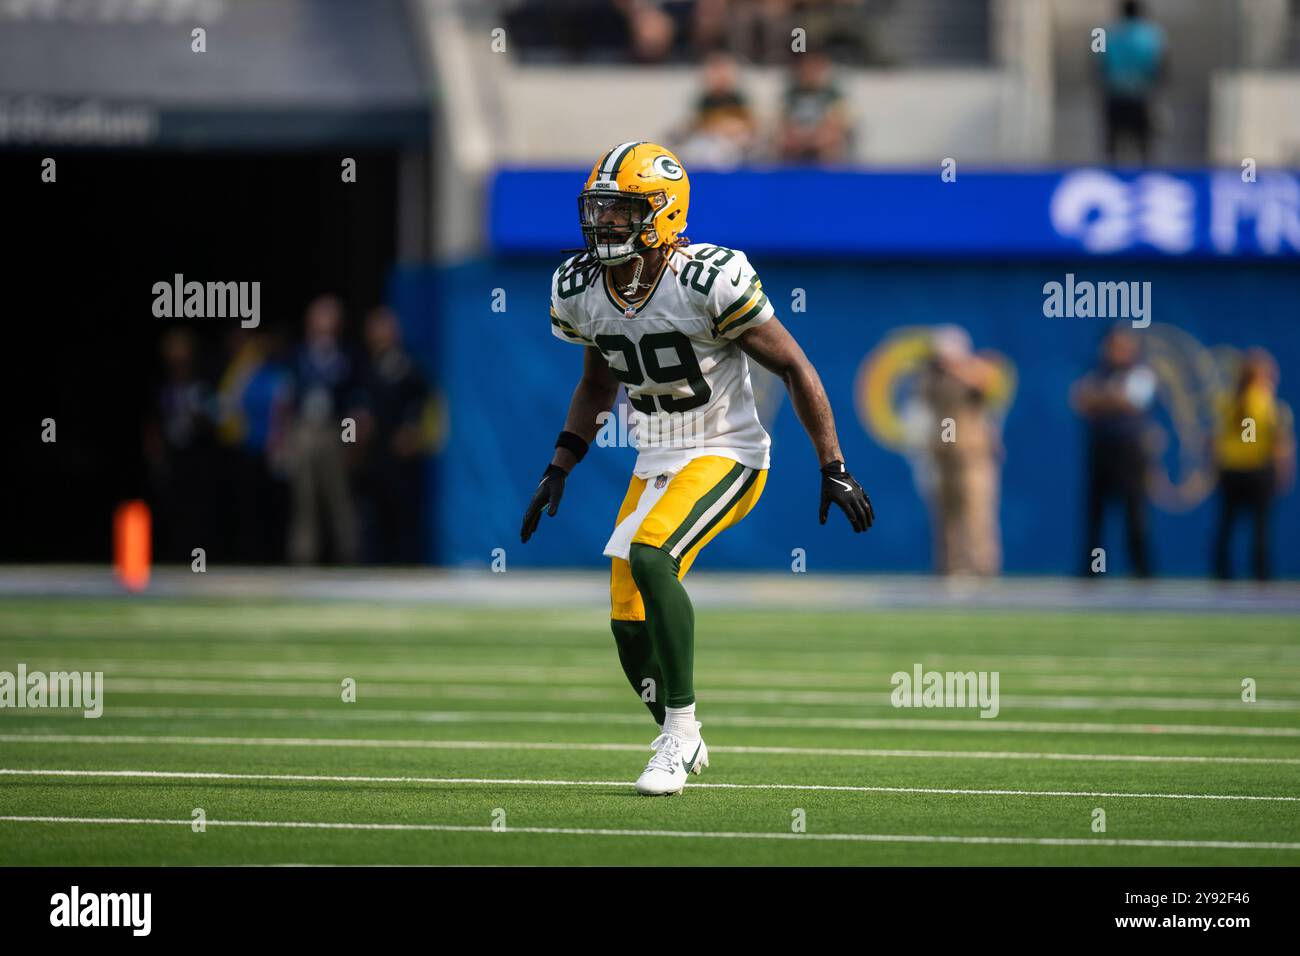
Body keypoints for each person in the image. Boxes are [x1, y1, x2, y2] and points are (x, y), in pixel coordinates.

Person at [520, 141, 875, 795]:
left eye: (623, 212)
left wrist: (835, 463)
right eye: (601, 211)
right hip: (655, 455)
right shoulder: (581, 288)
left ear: (664, 213)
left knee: (653, 556)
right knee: (627, 623)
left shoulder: (708, 278)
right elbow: (596, 385)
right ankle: (679, 732)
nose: (607, 225)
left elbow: (795, 367)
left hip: (726, 449)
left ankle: (678, 738)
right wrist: (561, 462)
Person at [918, 326, 1004, 576]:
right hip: (944, 455)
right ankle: (950, 569)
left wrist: (960, 368)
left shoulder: (974, 372)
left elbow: (987, 386)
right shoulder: (933, 379)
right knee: (946, 514)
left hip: (973, 456)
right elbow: (922, 393)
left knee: (977, 513)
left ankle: (982, 568)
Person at [1070, 329, 1157, 577]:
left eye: (1122, 346)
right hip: (1101, 449)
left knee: (1135, 514)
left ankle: (1141, 572)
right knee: (1096, 512)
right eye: (1112, 346)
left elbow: (1130, 402)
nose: (1116, 352)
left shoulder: (1141, 373)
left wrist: (1102, 399)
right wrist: (1111, 398)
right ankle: (1092, 571)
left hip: (1130, 451)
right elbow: (1080, 401)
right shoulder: (1096, 372)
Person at [286, 295, 361, 565]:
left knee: (339, 494)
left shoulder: (347, 355)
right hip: (305, 428)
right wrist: (284, 438)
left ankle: (348, 554)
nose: (325, 322)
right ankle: (304, 556)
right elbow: (288, 398)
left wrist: (350, 440)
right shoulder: (300, 354)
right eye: (320, 316)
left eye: (330, 316)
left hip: (334, 429)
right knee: (304, 495)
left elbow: (354, 403)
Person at [357, 307, 433, 565]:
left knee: (404, 513)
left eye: (385, 328)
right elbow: (355, 407)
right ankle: (373, 567)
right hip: (374, 455)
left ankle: (407, 566)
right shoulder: (364, 368)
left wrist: (413, 431)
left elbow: (425, 403)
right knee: (374, 515)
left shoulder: (409, 366)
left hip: (401, 456)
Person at [1212, 350, 1296, 580]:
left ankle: (1222, 573)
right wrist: (1284, 469)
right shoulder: (1263, 400)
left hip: (1231, 471)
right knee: (1260, 528)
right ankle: (1260, 576)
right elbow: (1278, 441)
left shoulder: (1227, 399)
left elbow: (1216, 439)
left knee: (1227, 525)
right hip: (1256, 471)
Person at [1098, 0, 1166, 164]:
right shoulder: (1151, 35)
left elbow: (1098, 62)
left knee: (1112, 147)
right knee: (1144, 147)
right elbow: (1161, 66)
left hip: (1115, 97)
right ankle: (1146, 178)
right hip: (1140, 98)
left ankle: (1112, 178)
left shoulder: (1107, 33)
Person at [676, 50, 758, 169]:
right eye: (715, 72)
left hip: (735, 143)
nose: (720, 77)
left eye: (723, 72)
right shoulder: (705, 100)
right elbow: (698, 125)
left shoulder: (737, 99)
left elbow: (749, 125)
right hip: (710, 143)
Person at [777, 51, 850, 163]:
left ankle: (828, 178)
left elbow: (838, 123)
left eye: (814, 67)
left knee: (832, 144)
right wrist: (795, 137)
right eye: (806, 67)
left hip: (821, 140)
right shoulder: (791, 95)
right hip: (796, 140)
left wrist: (816, 139)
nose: (810, 71)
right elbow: (782, 122)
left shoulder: (831, 94)